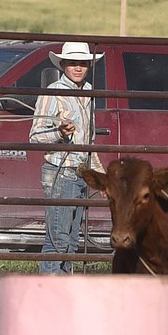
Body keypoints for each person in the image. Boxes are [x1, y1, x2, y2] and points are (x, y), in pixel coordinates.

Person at [30, 42, 105, 275]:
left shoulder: (88, 94)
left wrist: (99, 175)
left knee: (71, 240)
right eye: (73, 63)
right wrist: (59, 133)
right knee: (58, 239)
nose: (78, 68)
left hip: (79, 172)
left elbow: (88, 141)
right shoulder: (53, 92)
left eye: (83, 63)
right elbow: (35, 135)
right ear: (63, 65)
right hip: (60, 172)